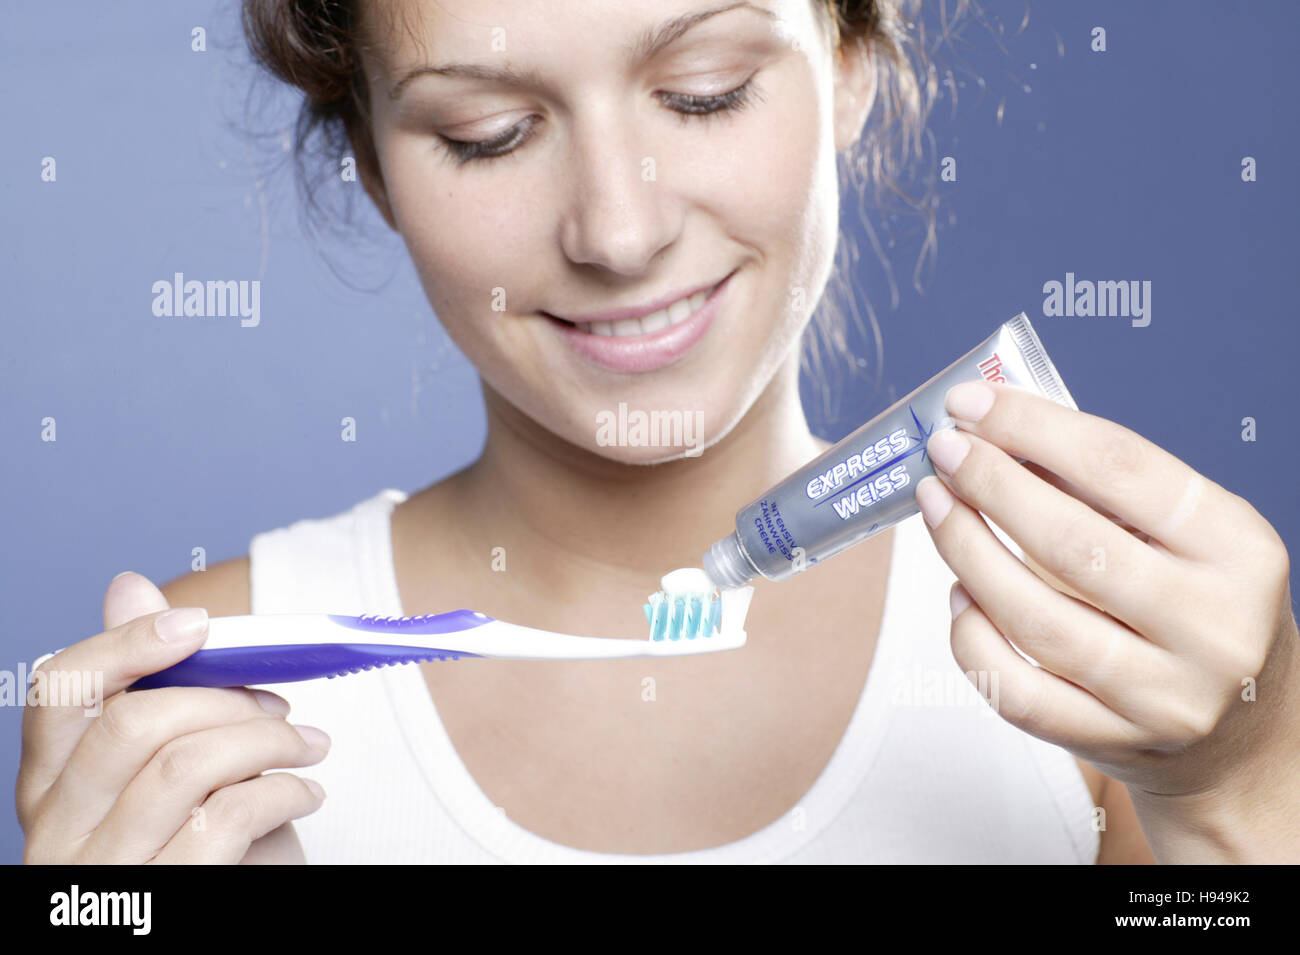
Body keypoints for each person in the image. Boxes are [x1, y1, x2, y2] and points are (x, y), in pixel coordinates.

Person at [17, 0, 1298, 864]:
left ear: (849, 62)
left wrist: (1243, 783)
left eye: (702, 94)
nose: (617, 234)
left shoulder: (1092, 679)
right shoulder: (213, 690)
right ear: (372, 168)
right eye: (489, 134)